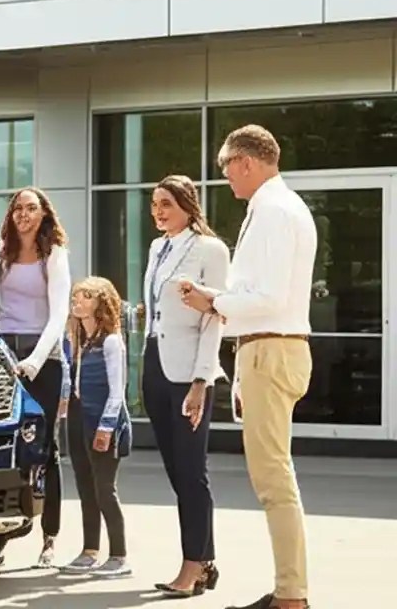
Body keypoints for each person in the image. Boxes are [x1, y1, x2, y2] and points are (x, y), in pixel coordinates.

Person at [179, 125, 317, 609]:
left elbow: (269, 297)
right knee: (274, 476)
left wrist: (213, 301)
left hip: (271, 350)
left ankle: (291, 596)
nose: (226, 177)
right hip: (269, 350)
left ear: (247, 162)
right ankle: (289, 591)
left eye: (227, 168)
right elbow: (265, 296)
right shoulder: (278, 208)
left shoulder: (275, 211)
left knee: (273, 479)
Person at [0, 187, 72, 568]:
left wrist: (35, 360)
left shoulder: (54, 254)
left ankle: (49, 538)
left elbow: (59, 314)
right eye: (17, 209)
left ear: (44, 214)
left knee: (45, 448)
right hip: (5, 350)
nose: (23, 214)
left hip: (43, 357)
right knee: (3, 446)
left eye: (31, 208)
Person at [141, 175, 230, 599]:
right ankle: (204, 561)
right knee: (177, 471)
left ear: (187, 206)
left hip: (189, 373)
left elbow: (215, 319)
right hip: (155, 364)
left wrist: (201, 380)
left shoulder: (210, 249)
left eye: (167, 204)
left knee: (192, 471)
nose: (158, 211)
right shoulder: (157, 248)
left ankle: (192, 566)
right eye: (155, 204)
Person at [58, 276, 132, 578]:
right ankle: (90, 551)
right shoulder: (76, 341)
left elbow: (117, 391)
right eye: (76, 296)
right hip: (78, 417)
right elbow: (70, 381)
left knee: (104, 489)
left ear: (102, 303)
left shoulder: (111, 342)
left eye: (86, 296)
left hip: (103, 419)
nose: (78, 301)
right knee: (85, 487)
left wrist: (106, 427)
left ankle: (119, 555)